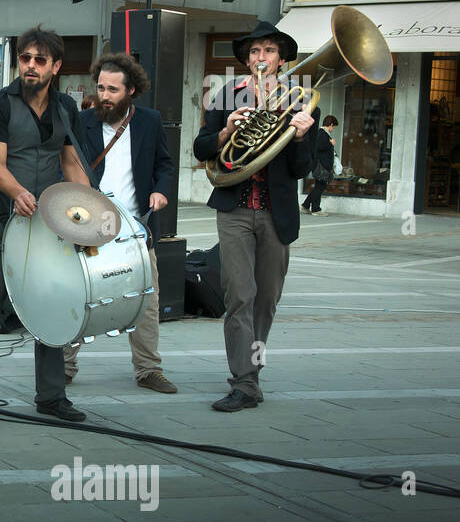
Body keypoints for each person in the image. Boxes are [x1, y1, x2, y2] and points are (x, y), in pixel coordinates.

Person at [0, 26, 91, 425]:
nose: (31, 66)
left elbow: (70, 164)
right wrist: (17, 193)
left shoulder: (66, 106)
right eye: (25, 59)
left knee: (50, 304)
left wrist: (89, 211)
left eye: (40, 60)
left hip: (48, 223)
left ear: (56, 66)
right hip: (2, 221)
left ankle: (51, 395)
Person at [193, 21, 316, 412]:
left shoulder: (300, 103)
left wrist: (299, 137)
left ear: (281, 59)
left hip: (276, 213)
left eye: (269, 51)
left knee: (266, 302)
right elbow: (200, 148)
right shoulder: (224, 96)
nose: (261, 58)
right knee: (239, 296)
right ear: (247, 61)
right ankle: (243, 382)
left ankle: (252, 373)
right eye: (255, 52)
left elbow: (302, 168)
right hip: (235, 209)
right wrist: (227, 131)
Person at [64, 53, 178, 394]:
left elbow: (165, 164)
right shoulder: (80, 121)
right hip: (90, 226)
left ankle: (148, 370)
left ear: (131, 91)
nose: (104, 96)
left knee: (147, 300)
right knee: (80, 296)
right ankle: (63, 366)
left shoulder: (150, 121)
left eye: (113, 89)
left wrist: (160, 192)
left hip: (135, 228)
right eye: (100, 87)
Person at [303, 115, 337, 216]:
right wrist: (331, 143)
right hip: (322, 165)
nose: (333, 129)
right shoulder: (322, 133)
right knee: (320, 187)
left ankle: (306, 205)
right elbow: (320, 147)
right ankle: (315, 209)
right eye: (333, 126)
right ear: (330, 125)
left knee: (318, 186)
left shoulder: (322, 133)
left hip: (321, 164)